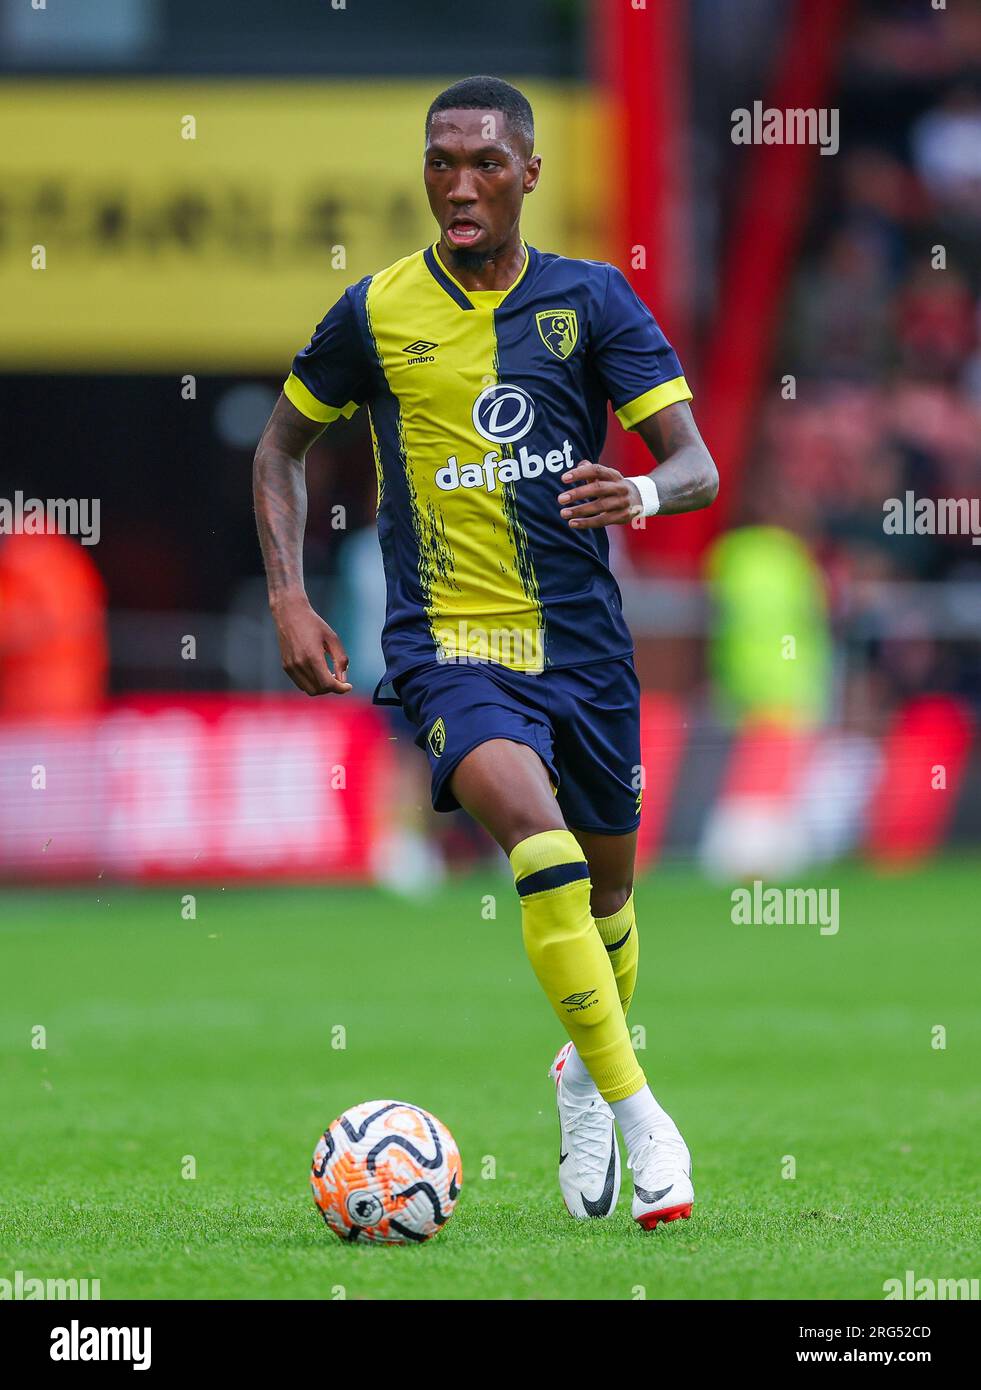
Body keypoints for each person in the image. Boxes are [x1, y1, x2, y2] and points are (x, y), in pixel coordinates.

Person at [253, 76, 718, 1229]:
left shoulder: (593, 303)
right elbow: (279, 450)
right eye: (441, 161)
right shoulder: (373, 312)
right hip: (448, 645)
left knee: (609, 897)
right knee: (542, 851)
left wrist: (645, 492)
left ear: (529, 175)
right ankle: (645, 1110)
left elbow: (698, 463)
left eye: (485, 163)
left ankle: (580, 1076)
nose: (460, 184)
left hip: (585, 650)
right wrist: (288, 596)